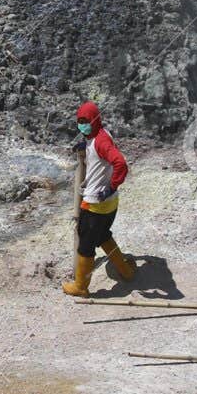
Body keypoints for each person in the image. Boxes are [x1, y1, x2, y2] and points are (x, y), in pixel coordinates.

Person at [63, 100, 137, 297]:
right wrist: (86, 146)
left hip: (95, 204)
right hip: (110, 204)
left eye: (85, 121)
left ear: (95, 120)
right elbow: (100, 152)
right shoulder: (101, 135)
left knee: (85, 246)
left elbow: (120, 163)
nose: (82, 125)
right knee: (103, 235)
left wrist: (112, 185)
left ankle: (80, 286)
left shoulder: (101, 141)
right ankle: (126, 271)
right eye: (79, 121)